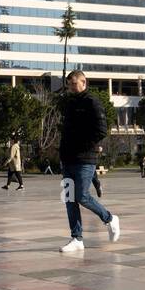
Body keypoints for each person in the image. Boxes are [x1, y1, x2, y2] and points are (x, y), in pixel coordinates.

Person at [57, 70, 120, 252]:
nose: (71, 88)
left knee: (82, 196)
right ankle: (77, 238)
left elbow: (101, 130)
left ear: (84, 83)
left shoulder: (92, 102)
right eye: (69, 85)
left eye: (74, 84)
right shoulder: (69, 104)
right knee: (69, 198)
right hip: (68, 159)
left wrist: (83, 145)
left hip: (85, 158)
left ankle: (109, 218)